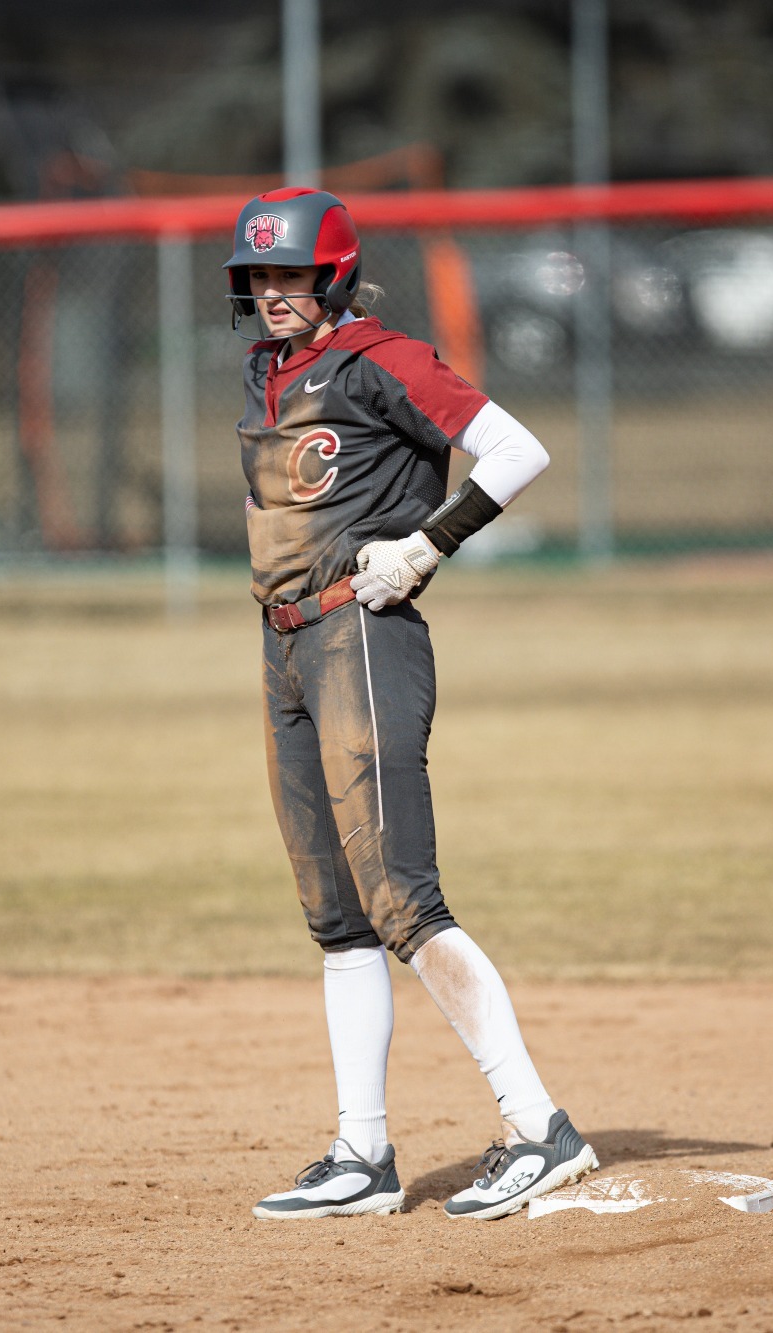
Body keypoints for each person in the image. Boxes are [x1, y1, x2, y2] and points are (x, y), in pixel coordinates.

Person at [226, 189, 598, 1221]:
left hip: (362, 638)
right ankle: (363, 1153)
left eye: (290, 275)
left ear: (332, 276)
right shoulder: (269, 370)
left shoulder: (381, 358)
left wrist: (430, 542)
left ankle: (537, 1126)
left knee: (401, 900)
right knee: (335, 921)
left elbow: (517, 450)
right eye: (257, 277)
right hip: (283, 647)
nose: (270, 294)